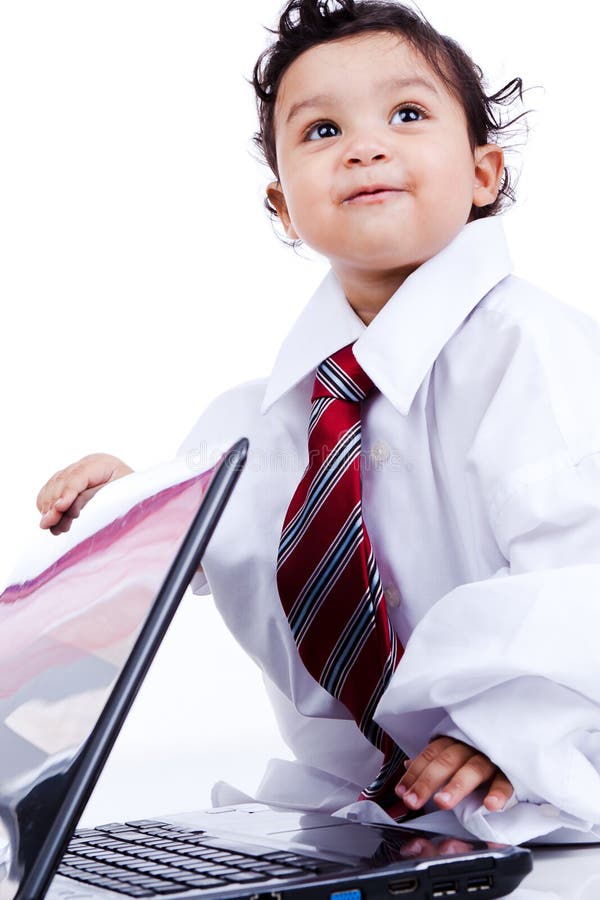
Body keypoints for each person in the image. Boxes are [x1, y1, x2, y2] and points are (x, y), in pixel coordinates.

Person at [36, 0, 600, 844]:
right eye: (321, 131)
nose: (365, 145)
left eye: (407, 114)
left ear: (485, 174)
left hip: (547, 793)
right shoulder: (261, 422)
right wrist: (129, 511)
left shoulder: (536, 355)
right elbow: (208, 540)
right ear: (282, 206)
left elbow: (579, 568)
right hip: (358, 813)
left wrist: (512, 728)